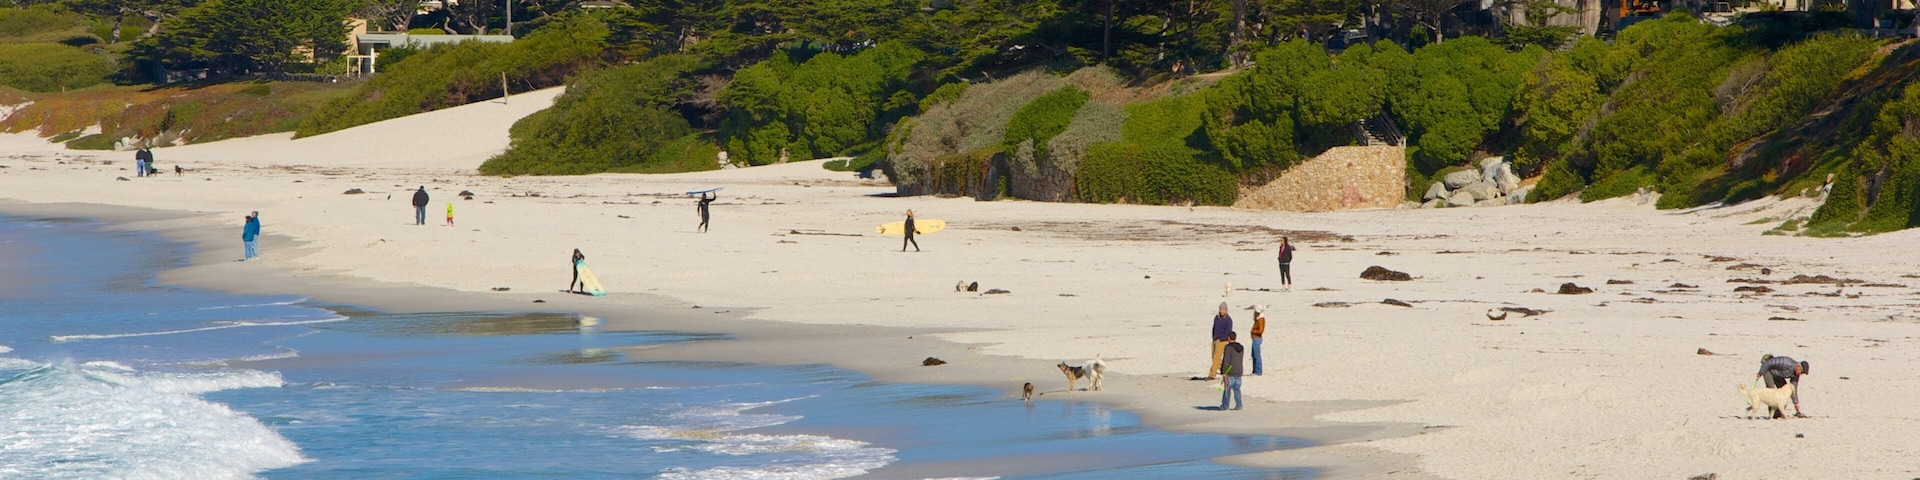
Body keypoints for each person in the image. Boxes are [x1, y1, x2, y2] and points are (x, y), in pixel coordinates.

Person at [1756, 354, 1810, 418]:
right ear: (1798, 367)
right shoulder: (1786, 362)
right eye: (1801, 372)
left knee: (1784, 392)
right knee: (1771, 391)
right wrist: (1760, 372)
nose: (1800, 374)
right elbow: (1768, 363)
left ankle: (1779, 414)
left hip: (1778, 376)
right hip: (1768, 371)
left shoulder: (1796, 375)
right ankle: (1772, 414)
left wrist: (1795, 403)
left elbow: (1793, 388)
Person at [1219, 331, 1245, 410]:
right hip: (1239, 370)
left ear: (1229, 338)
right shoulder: (1241, 347)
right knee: (1237, 389)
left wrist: (1223, 371)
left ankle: (1225, 406)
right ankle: (1239, 405)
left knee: (1227, 389)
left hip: (1230, 371)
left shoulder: (1228, 347)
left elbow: (1226, 360)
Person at [1208, 302, 1232, 380]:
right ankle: (1224, 370)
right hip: (1215, 339)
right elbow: (1214, 328)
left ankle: (1212, 374)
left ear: (1226, 310)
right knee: (1214, 357)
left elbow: (1228, 331)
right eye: (1221, 309)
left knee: (1216, 357)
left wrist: (1222, 338)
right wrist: (1213, 337)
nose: (1222, 311)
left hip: (1222, 340)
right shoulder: (1216, 318)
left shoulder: (1228, 320)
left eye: (1223, 310)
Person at [1250, 305, 1267, 376]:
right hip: (1255, 338)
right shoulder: (1258, 319)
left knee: (1256, 355)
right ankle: (1255, 370)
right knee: (1254, 354)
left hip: (1257, 338)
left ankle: (1258, 371)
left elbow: (1260, 331)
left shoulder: (1260, 319)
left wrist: (1253, 331)